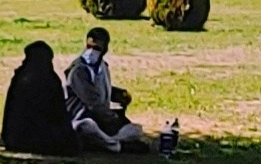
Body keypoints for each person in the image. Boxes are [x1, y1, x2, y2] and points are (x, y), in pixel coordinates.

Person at [61, 25, 176, 154]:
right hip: (81, 118)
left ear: (105, 49)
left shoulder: (103, 67)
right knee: (87, 126)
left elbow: (98, 90)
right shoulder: (78, 71)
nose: (91, 51)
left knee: (136, 130)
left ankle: (108, 142)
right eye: (89, 47)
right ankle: (116, 146)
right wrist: (113, 119)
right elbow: (92, 103)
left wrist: (117, 95)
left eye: (96, 48)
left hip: (102, 121)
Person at [0, 39, 71, 155]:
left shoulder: (20, 77)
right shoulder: (50, 80)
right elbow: (58, 113)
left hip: (14, 139)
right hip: (40, 139)